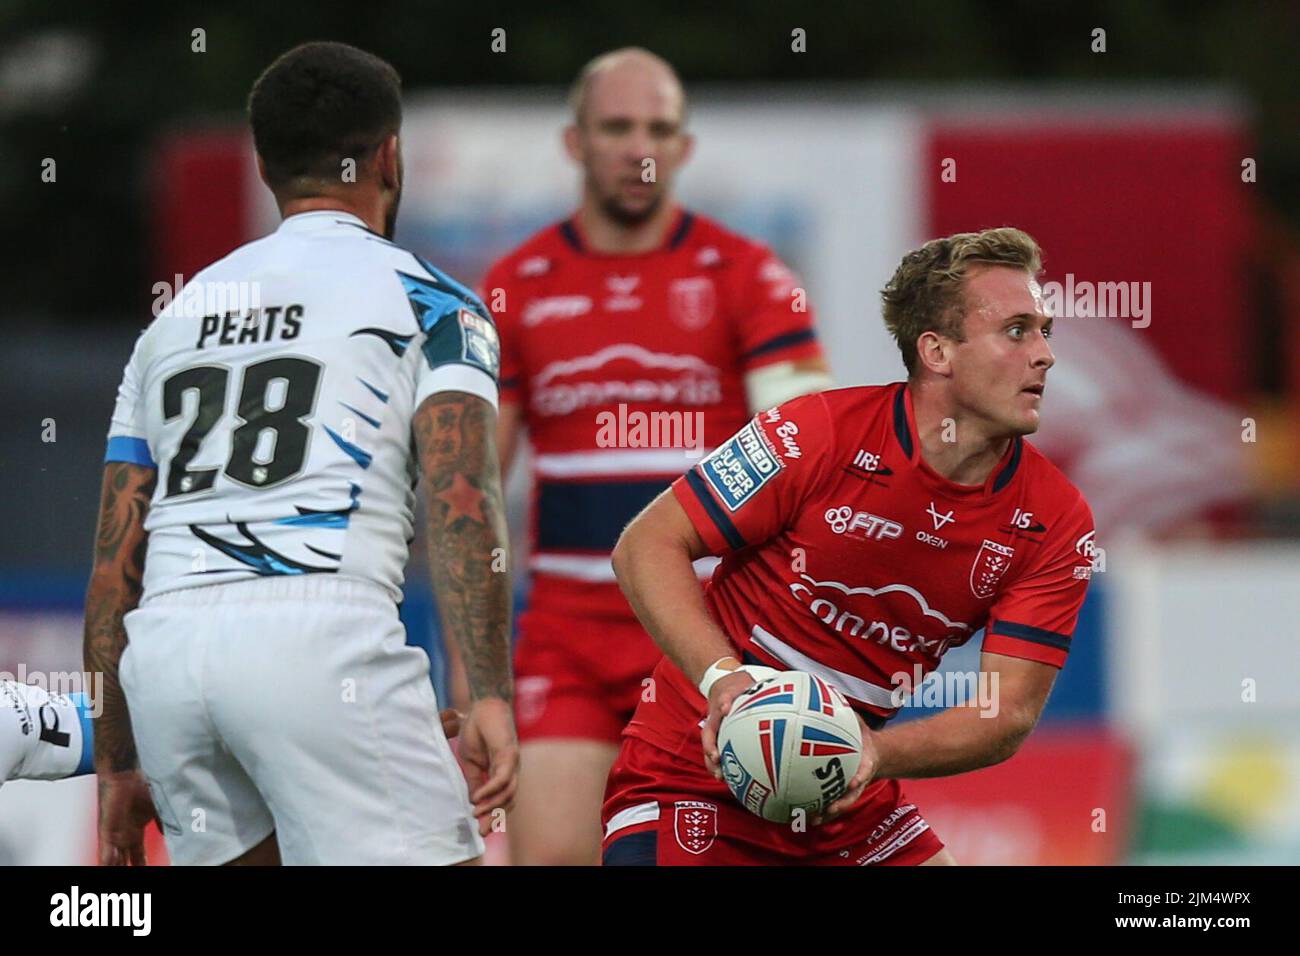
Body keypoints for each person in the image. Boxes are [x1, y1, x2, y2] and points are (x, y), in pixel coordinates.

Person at [85, 41, 516, 866]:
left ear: (263, 164)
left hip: (168, 651)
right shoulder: (433, 300)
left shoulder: (172, 322)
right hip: (320, 636)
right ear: (389, 155)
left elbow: (113, 565)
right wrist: (490, 692)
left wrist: (118, 759)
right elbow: (465, 502)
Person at [602, 227, 1097, 865]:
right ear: (938, 352)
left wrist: (873, 754)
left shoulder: (1055, 520)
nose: (1045, 355)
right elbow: (646, 544)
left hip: (843, 792)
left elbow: (1005, 715)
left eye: (1045, 332)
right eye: (1017, 330)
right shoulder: (815, 433)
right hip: (695, 778)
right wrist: (723, 679)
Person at [477, 47, 832, 864]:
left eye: (659, 128)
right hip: (563, 638)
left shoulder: (751, 277)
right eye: (617, 127)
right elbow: (475, 496)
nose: (640, 149)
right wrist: (477, 662)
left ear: (683, 148)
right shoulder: (515, 285)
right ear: (574, 143)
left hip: (701, 634)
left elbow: (807, 463)